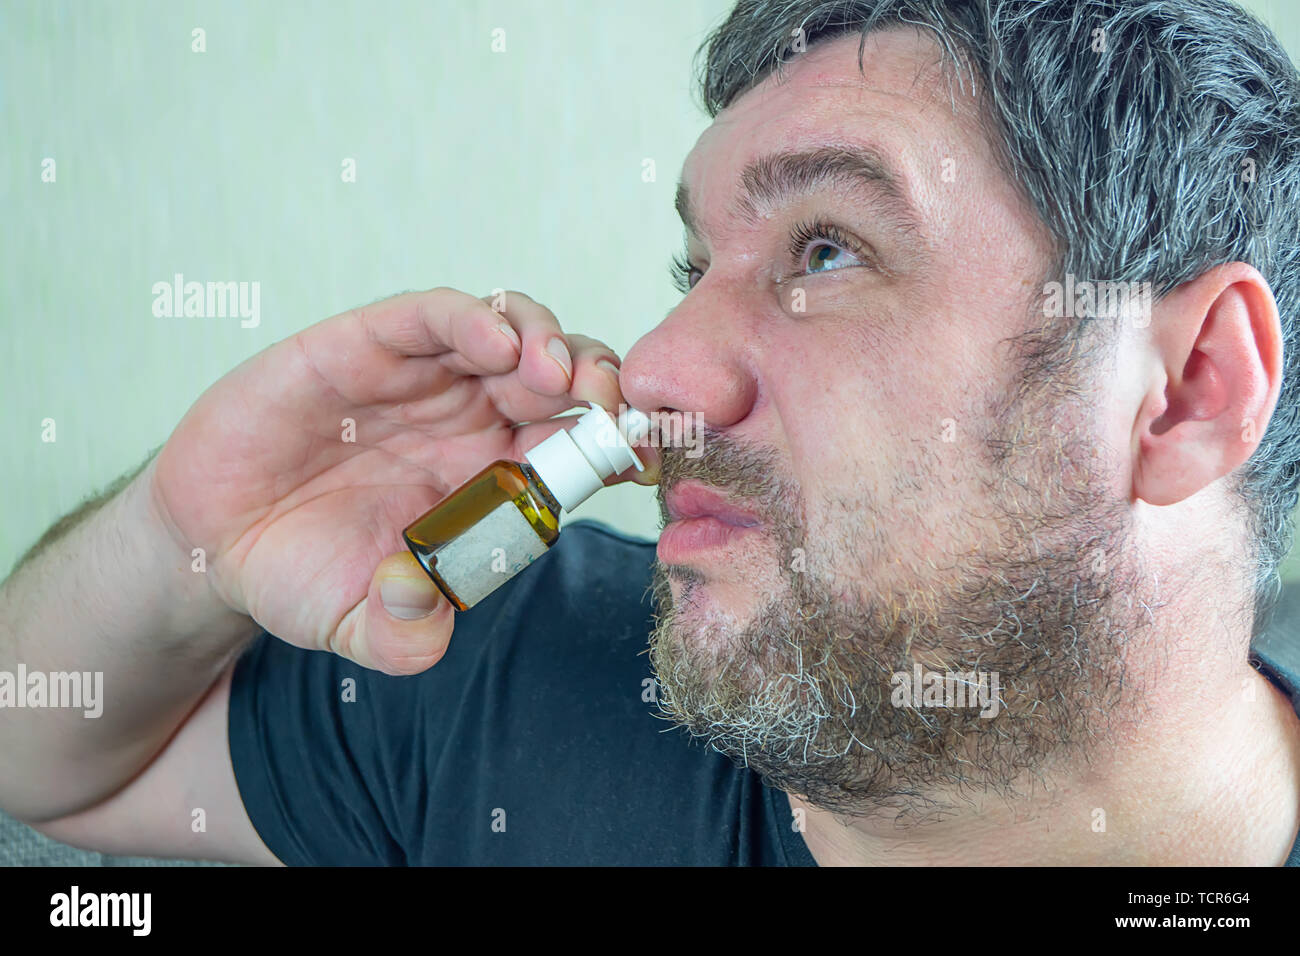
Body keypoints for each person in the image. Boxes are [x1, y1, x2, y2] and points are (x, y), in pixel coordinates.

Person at [4, 0, 1300, 866]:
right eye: (693, 265)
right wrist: (186, 533)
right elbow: (38, 757)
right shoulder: (519, 680)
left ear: (1187, 389)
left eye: (828, 249)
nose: (660, 369)